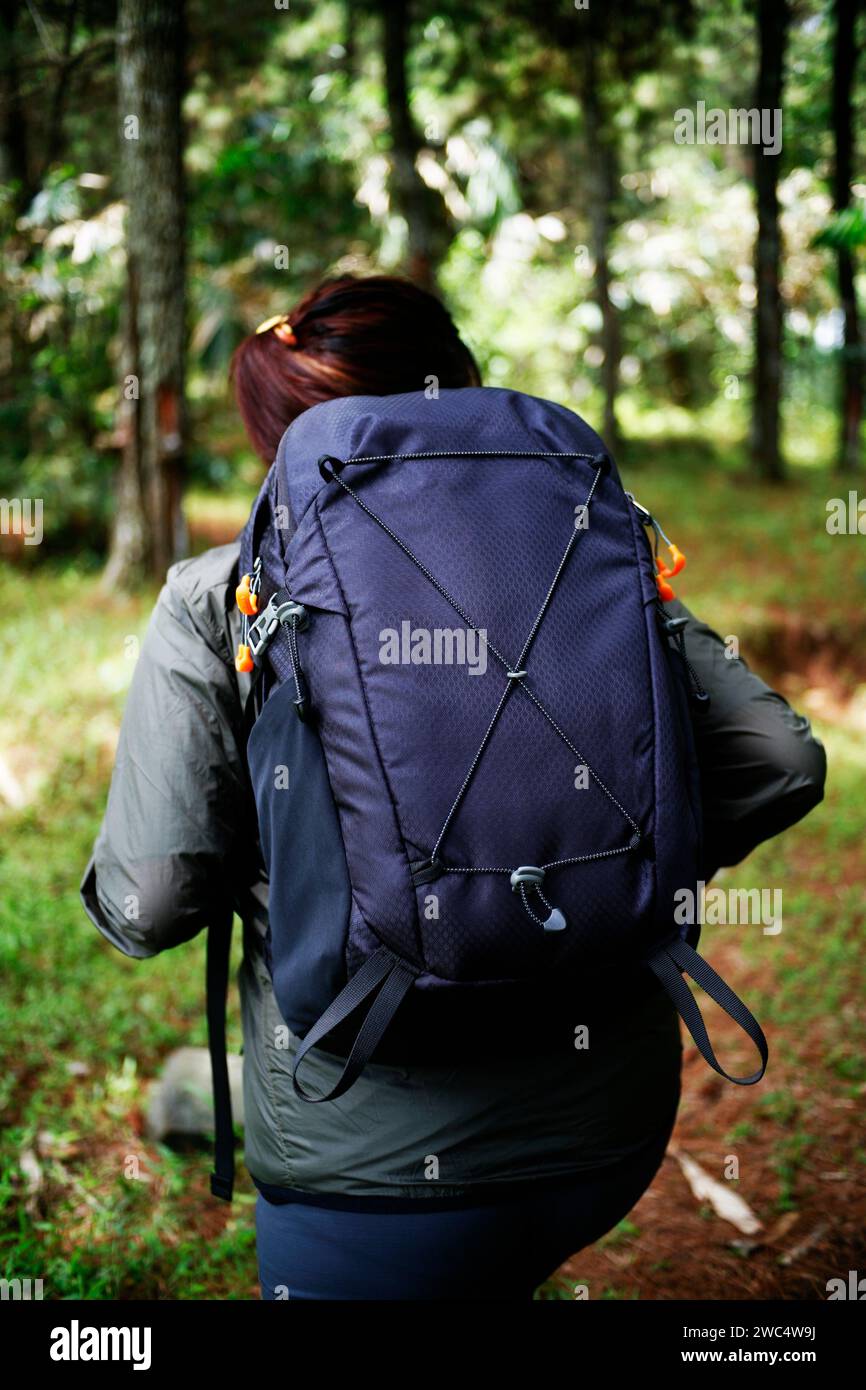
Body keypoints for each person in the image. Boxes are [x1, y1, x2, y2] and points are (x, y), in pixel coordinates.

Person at [81, 273, 826, 1301]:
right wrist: (598, 863)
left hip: (366, 1169)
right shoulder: (576, 549)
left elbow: (149, 899)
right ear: (464, 388)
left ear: (277, 447)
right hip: (605, 1129)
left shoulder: (220, 599)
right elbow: (780, 761)